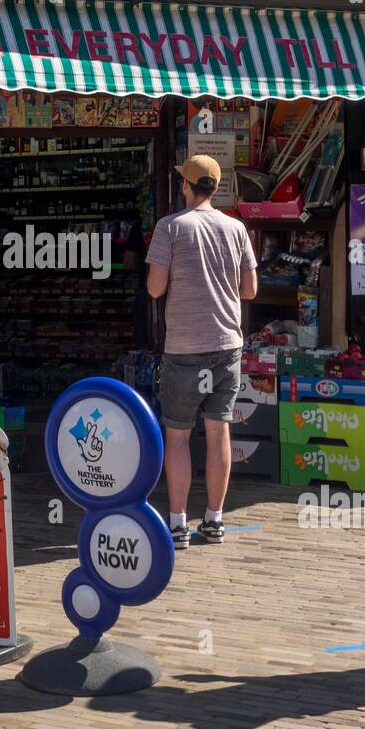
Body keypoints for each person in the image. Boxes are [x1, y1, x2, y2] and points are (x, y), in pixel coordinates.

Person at [145, 154, 258, 549]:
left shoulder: (170, 228)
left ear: (186, 186)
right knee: (218, 432)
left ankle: (177, 524)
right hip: (227, 345)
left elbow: (155, 289)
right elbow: (250, 291)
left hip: (185, 347)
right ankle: (214, 520)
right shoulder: (236, 229)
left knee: (177, 436)